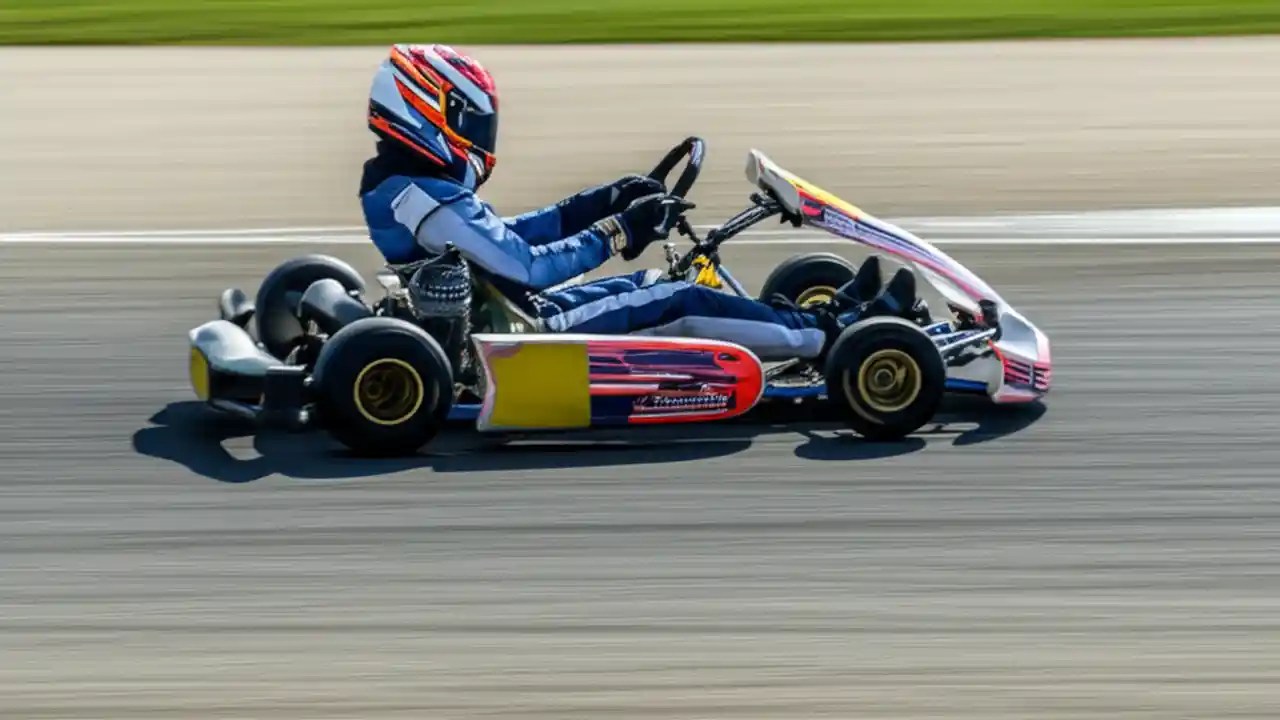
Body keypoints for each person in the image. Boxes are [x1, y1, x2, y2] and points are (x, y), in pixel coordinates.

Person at [358, 44, 895, 361]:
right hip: (526, 335)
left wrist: (603, 202)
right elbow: (525, 267)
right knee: (682, 301)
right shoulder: (417, 196)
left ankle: (811, 316)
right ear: (425, 109)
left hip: (512, 317)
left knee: (654, 286)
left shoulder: (410, 189)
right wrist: (621, 230)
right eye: (470, 122)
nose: (480, 135)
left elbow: (506, 239)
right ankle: (832, 336)